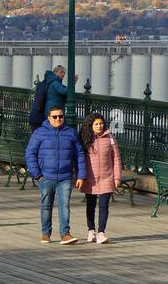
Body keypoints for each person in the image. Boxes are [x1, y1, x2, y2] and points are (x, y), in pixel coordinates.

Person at [25, 104, 87, 244]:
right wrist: (37, 175)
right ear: (49, 118)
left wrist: (81, 175)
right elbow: (30, 154)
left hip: (65, 177)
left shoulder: (71, 133)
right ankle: (45, 233)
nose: (58, 119)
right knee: (46, 205)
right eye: (55, 117)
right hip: (45, 177)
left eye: (61, 116)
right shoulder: (39, 133)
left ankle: (65, 234)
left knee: (65, 206)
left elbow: (79, 154)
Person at [79, 112, 121, 244]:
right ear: (91, 125)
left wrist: (117, 178)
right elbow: (79, 158)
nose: (99, 126)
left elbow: (116, 158)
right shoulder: (85, 138)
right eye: (96, 124)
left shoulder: (110, 138)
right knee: (90, 205)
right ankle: (91, 230)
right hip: (90, 178)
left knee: (104, 206)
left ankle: (101, 232)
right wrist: (80, 176)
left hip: (106, 177)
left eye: (101, 123)